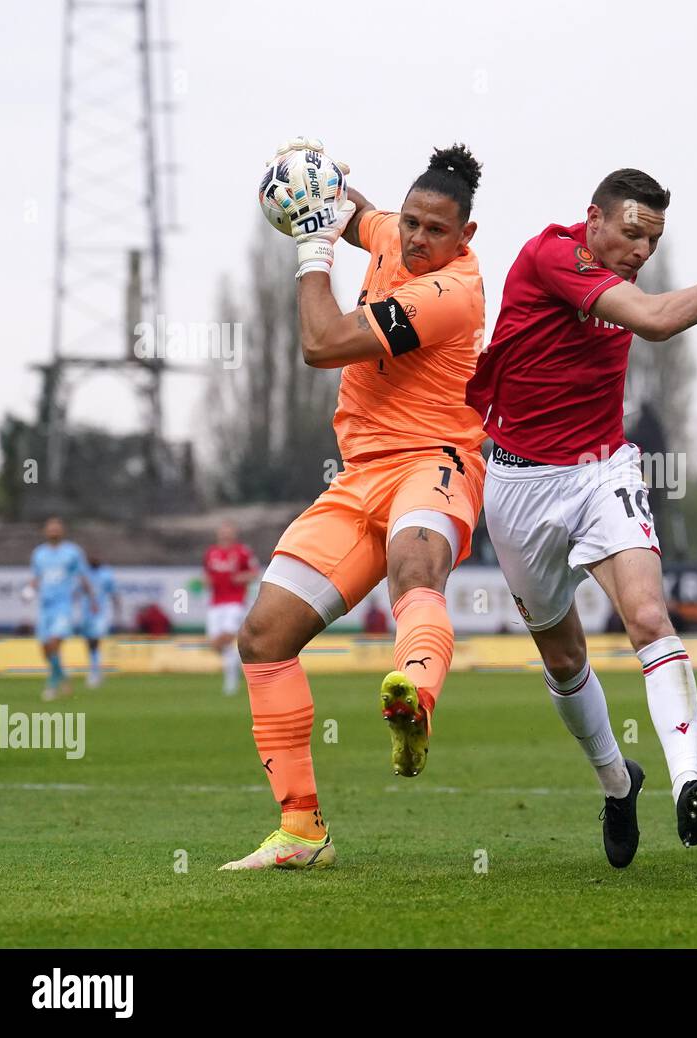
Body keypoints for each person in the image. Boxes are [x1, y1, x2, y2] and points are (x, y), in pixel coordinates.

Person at [467, 167, 697, 867]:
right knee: (564, 661)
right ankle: (619, 784)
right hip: (517, 484)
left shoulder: (615, 278)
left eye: (652, 240)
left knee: (648, 616)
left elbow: (648, 315)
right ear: (593, 218)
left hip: (603, 470)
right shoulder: (550, 255)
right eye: (631, 233)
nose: (640, 251)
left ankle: (690, 784)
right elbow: (656, 322)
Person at [223, 140, 487, 871]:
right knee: (264, 637)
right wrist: (323, 187)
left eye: (436, 230)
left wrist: (312, 248)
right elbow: (362, 216)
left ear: (465, 237)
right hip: (358, 475)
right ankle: (302, 832)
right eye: (412, 223)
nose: (416, 238)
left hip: (436, 462)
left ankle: (416, 698)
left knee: (413, 568)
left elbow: (321, 342)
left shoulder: (452, 292)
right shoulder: (393, 232)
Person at [26, 517, 94, 701]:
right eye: (51, 528)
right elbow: (36, 577)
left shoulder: (72, 552)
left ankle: (52, 685)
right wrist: (29, 590)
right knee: (45, 649)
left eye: (57, 527)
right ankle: (63, 676)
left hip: (63, 606)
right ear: (45, 531)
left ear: (63, 531)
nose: (54, 530)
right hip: (45, 606)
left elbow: (84, 576)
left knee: (54, 642)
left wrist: (93, 600)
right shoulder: (39, 554)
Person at [203, 522, 258, 695]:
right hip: (216, 603)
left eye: (228, 532)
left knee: (225, 637)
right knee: (217, 645)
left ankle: (231, 685)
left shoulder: (242, 551)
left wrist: (242, 577)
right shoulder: (211, 553)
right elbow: (206, 574)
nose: (225, 535)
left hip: (235, 602)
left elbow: (254, 573)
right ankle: (242, 664)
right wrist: (207, 581)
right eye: (222, 532)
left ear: (234, 534)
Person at [78, 555, 121, 689]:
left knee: (95, 641)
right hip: (86, 613)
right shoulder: (84, 573)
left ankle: (94, 672)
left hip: (100, 614)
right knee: (89, 643)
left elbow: (114, 594)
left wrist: (117, 612)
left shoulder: (106, 574)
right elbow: (76, 591)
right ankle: (95, 669)